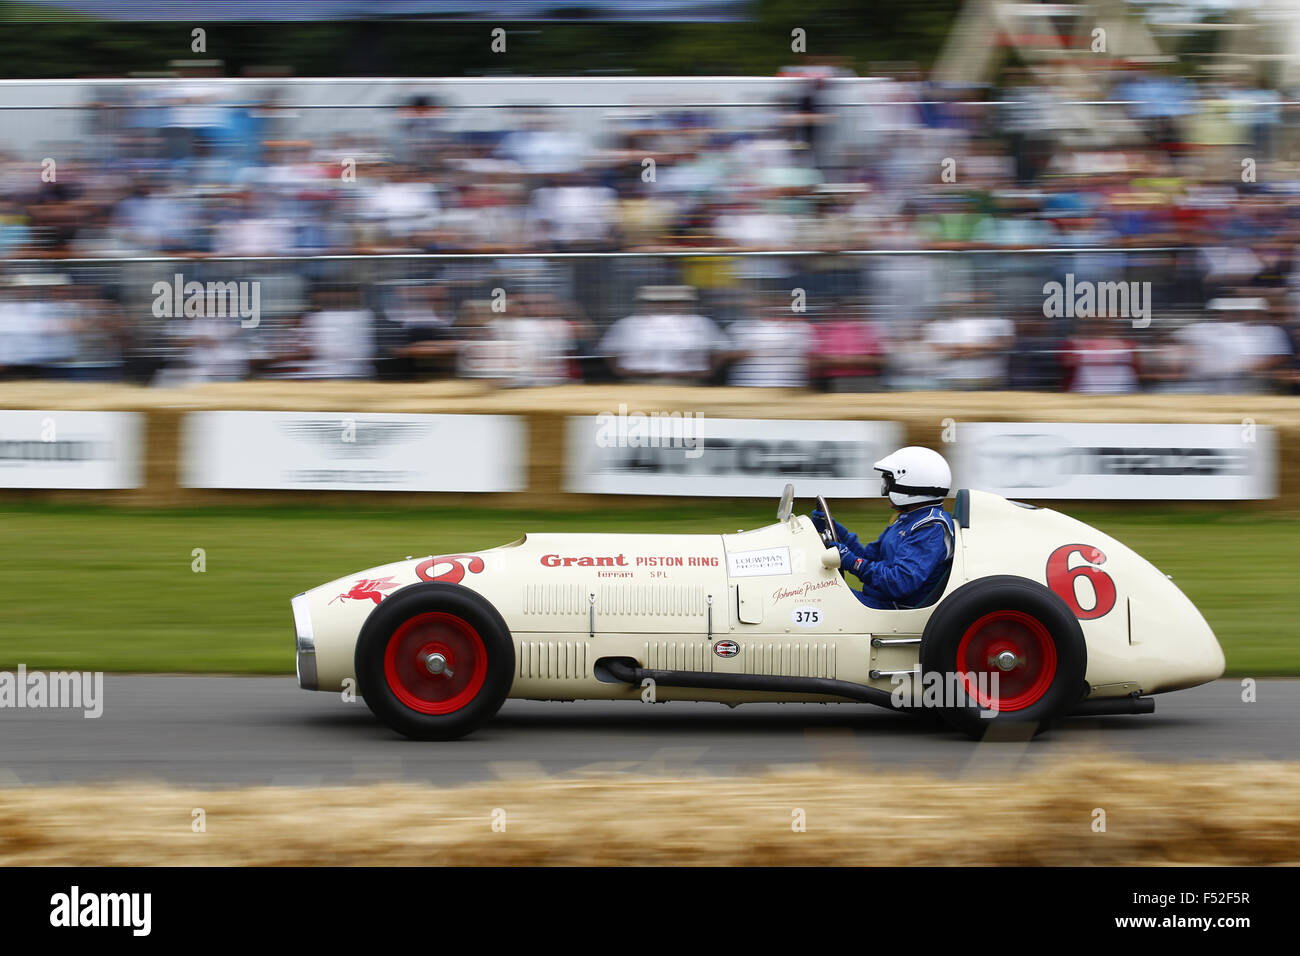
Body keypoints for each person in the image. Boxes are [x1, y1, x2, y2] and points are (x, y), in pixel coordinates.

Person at [811, 446, 955, 609]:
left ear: (911, 484)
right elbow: (869, 557)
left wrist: (852, 562)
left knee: (819, 601)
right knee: (816, 594)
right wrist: (837, 532)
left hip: (894, 609)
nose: (886, 488)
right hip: (879, 601)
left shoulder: (930, 528)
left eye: (890, 481)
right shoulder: (908, 519)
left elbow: (900, 583)